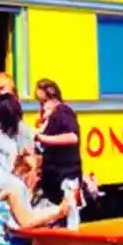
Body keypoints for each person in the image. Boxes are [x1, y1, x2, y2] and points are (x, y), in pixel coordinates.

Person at [33, 78, 82, 207]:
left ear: (53, 98)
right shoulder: (48, 118)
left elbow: (73, 137)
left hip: (65, 175)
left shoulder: (63, 112)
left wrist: (43, 138)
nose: (42, 106)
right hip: (52, 178)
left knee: (69, 213)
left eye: (44, 101)